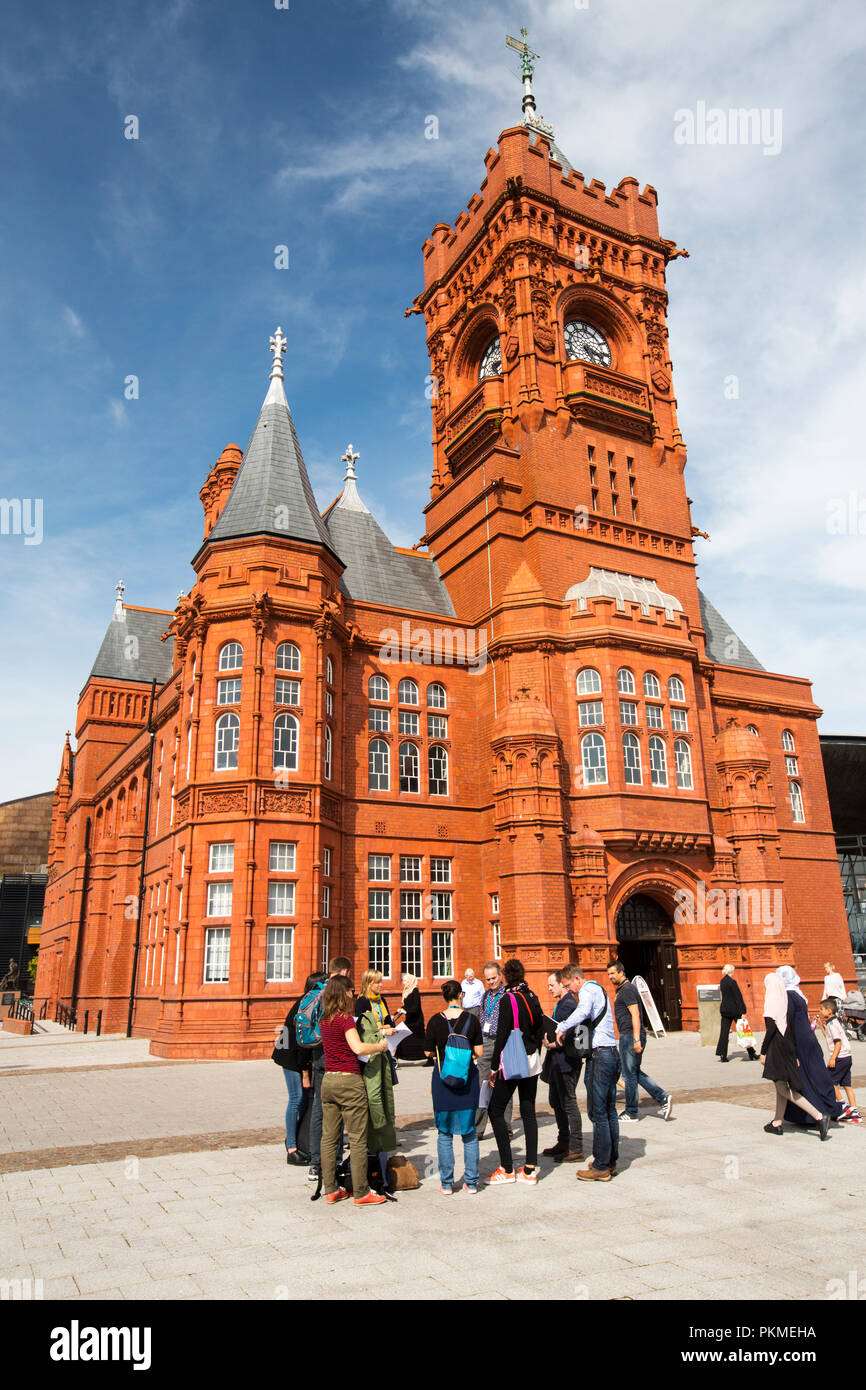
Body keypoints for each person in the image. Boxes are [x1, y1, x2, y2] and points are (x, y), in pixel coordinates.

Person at [318, 975, 389, 1205]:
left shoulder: (324, 1020)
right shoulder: (345, 1020)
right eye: (351, 991)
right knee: (358, 1138)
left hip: (328, 1080)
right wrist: (379, 1046)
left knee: (329, 1138)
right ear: (345, 993)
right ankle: (361, 1192)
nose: (354, 994)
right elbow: (357, 1047)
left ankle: (331, 1189)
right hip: (349, 1081)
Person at [555, 965, 619, 1181]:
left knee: (598, 1112)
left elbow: (582, 1012)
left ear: (576, 979)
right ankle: (609, 1161)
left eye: (568, 985)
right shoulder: (597, 989)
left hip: (600, 1056)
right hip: (610, 1053)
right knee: (609, 1111)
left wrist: (562, 1026)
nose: (569, 990)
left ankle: (601, 1166)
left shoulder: (587, 989)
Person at [424, 979, 484, 1194]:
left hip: (443, 1081)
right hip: (467, 1081)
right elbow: (479, 1053)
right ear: (461, 995)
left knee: (444, 1133)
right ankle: (471, 1182)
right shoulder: (472, 1020)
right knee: (469, 1133)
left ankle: (447, 1183)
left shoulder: (435, 1021)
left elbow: (427, 1053)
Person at [487, 959, 544, 1186]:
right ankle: (529, 1169)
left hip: (513, 1060)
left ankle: (507, 1167)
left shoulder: (507, 999)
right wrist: (534, 1050)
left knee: (495, 1109)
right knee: (529, 1111)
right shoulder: (532, 996)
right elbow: (540, 1028)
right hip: (532, 1059)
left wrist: (493, 1067)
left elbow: (501, 1035)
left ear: (505, 976)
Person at [760, 972, 830, 1138]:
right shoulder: (785, 1002)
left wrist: (763, 1052)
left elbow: (771, 1030)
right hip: (787, 1047)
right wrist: (793, 1054)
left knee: (782, 1087)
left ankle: (819, 1116)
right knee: (782, 1086)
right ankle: (777, 1122)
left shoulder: (772, 1002)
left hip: (776, 1048)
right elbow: (789, 1030)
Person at [776, 964, 844, 1129]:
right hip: (808, 1040)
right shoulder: (798, 994)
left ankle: (812, 1114)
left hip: (800, 1042)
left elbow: (788, 1024)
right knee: (815, 1074)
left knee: (803, 1078)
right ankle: (827, 1108)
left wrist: (789, 1049)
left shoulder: (788, 996)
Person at [606, 960, 672, 1122]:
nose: (610, 977)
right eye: (608, 974)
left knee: (629, 1075)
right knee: (634, 1072)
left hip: (630, 1036)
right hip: (629, 1035)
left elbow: (635, 1014)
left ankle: (632, 1112)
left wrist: (636, 1038)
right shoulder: (623, 990)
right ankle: (662, 1097)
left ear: (621, 972)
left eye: (613, 973)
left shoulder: (627, 990)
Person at [271, 971, 325, 1164]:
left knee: (301, 1100)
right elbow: (303, 1044)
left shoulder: (308, 1002)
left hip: (292, 1054)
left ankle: (296, 1138)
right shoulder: (308, 1006)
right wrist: (304, 1073)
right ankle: (292, 1148)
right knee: (296, 1099)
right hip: (290, 1057)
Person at [307, 957, 352, 1182]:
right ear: (343, 971)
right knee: (338, 1109)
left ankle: (316, 1163)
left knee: (319, 1109)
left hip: (318, 1056)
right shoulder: (336, 992)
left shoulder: (316, 991)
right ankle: (333, 1160)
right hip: (334, 1056)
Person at [356, 994, 398, 1188]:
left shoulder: (381, 1001)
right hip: (369, 1062)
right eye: (377, 982)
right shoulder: (362, 1008)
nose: (380, 986)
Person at [542, 970, 584, 1161]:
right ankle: (564, 1140)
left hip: (566, 1061)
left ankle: (575, 1146)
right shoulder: (563, 1003)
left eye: (552, 985)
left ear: (562, 984)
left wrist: (553, 1043)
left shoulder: (568, 1005)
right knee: (556, 1101)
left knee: (568, 1102)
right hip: (558, 1061)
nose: (549, 989)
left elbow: (568, 1033)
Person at [475, 960, 513, 1140]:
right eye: (487, 979)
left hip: (503, 1041)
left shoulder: (508, 995)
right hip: (486, 1040)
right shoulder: (485, 996)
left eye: (493, 978)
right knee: (482, 1083)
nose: (491, 982)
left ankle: (506, 1126)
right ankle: (478, 1128)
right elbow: (482, 1017)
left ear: (500, 976)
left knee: (504, 1083)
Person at [818, 999, 861, 1122]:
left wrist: (832, 1058)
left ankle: (843, 1106)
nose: (820, 1011)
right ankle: (855, 1113)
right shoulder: (832, 1023)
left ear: (829, 1011)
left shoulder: (833, 1024)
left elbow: (838, 1042)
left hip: (840, 1058)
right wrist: (821, 1026)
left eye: (822, 1009)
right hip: (847, 1057)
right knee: (847, 1085)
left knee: (830, 1082)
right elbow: (830, 1037)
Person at [716, 963, 757, 1062]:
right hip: (734, 1010)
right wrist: (743, 1011)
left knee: (724, 1032)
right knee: (743, 1031)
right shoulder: (732, 982)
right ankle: (751, 1053)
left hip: (725, 1009)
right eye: (733, 970)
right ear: (731, 971)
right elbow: (738, 997)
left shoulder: (723, 981)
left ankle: (722, 1054)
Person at [394, 973, 426, 1061]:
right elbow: (407, 1005)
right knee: (405, 1036)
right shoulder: (407, 991)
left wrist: (406, 1011)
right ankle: (398, 1056)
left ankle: (397, 1056)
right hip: (410, 1019)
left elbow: (416, 1007)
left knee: (419, 1038)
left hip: (416, 1020)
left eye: (405, 981)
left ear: (410, 981)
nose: (403, 983)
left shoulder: (415, 991)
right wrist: (398, 1011)